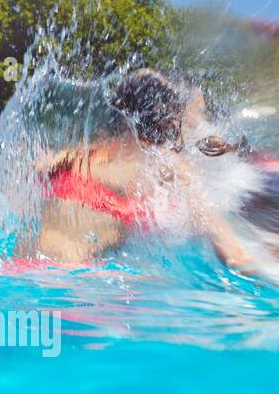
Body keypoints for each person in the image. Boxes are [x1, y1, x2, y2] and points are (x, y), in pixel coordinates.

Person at [19, 68, 257, 271]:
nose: (201, 122)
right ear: (169, 116)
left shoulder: (74, 154)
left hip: (18, 270)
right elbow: (231, 252)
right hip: (79, 286)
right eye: (197, 112)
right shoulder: (165, 164)